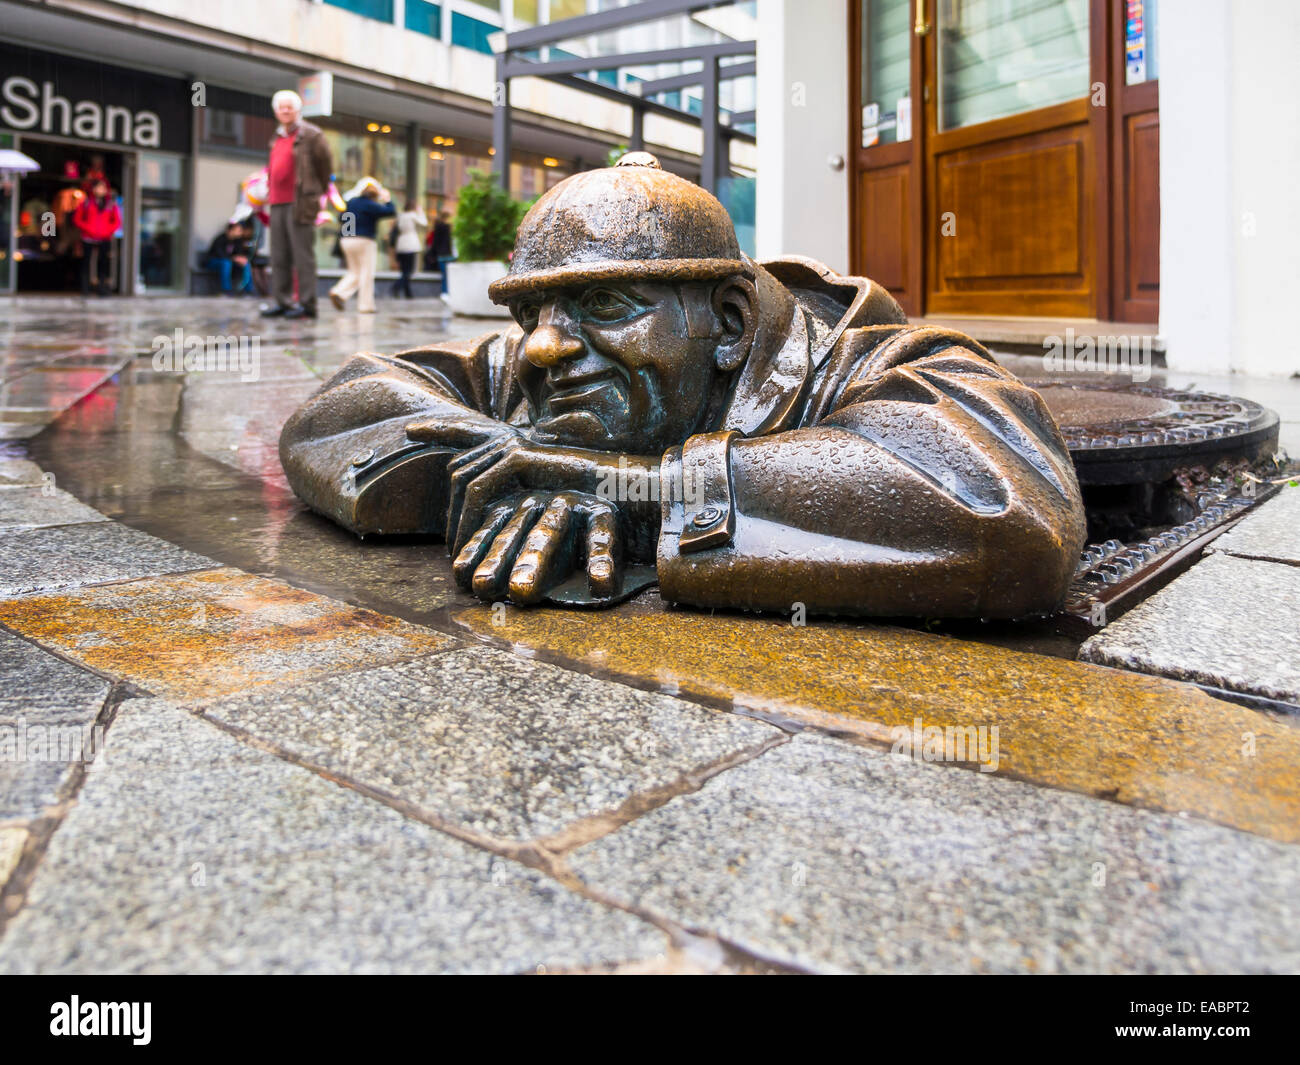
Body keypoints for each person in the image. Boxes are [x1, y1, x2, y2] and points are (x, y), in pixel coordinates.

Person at [281, 153, 1086, 619]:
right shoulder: (540, 364)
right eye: (532, 311)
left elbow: (1008, 512)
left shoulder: (875, 360)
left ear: (730, 323)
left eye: (606, 304)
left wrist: (638, 496)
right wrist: (495, 469)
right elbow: (331, 416)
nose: (548, 345)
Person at [261, 89, 333, 320]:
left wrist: (315, 193)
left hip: (300, 202)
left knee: (303, 256)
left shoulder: (312, 134)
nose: (285, 110)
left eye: (289, 106)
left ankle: (307, 304)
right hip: (277, 202)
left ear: (298, 109)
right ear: (276, 111)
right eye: (281, 107)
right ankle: (282, 302)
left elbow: (325, 167)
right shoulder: (277, 137)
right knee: (278, 256)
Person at [328, 178, 395, 314]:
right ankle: (365, 305)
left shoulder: (351, 203)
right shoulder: (370, 204)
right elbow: (390, 211)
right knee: (367, 273)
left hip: (347, 240)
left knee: (354, 271)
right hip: (365, 240)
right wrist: (387, 199)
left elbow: (342, 219)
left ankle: (339, 292)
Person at [71, 178, 120, 297]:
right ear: (93, 189)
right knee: (86, 263)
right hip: (88, 237)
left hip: (104, 238)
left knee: (103, 264)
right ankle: (85, 288)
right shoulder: (86, 203)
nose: (101, 190)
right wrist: (88, 228)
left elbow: (117, 221)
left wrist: (107, 231)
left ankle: (102, 288)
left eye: (103, 188)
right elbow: (77, 219)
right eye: (98, 187)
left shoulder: (110, 204)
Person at [390, 200, 427, 299]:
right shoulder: (412, 215)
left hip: (401, 244)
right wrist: (421, 212)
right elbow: (424, 223)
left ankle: (408, 294)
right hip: (410, 244)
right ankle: (396, 286)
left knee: (404, 271)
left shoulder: (400, 216)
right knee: (408, 271)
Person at [206, 221, 253, 295]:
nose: (240, 232)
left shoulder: (238, 240)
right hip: (214, 262)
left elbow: (239, 253)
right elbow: (220, 254)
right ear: (230, 230)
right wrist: (234, 258)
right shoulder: (220, 239)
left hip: (230, 262)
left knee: (245, 263)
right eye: (238, 230)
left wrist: (241, 258)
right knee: (226, 263)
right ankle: (226, 290)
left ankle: (248, 290)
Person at [426, 211, 453, 294]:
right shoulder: (449, 228)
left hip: (441, 254)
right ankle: (448, 292)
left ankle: (445, 292)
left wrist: (431, 253)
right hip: (449, 254)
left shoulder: (438, 227)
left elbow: (435, 242)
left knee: (444, 275)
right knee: (449, 275)